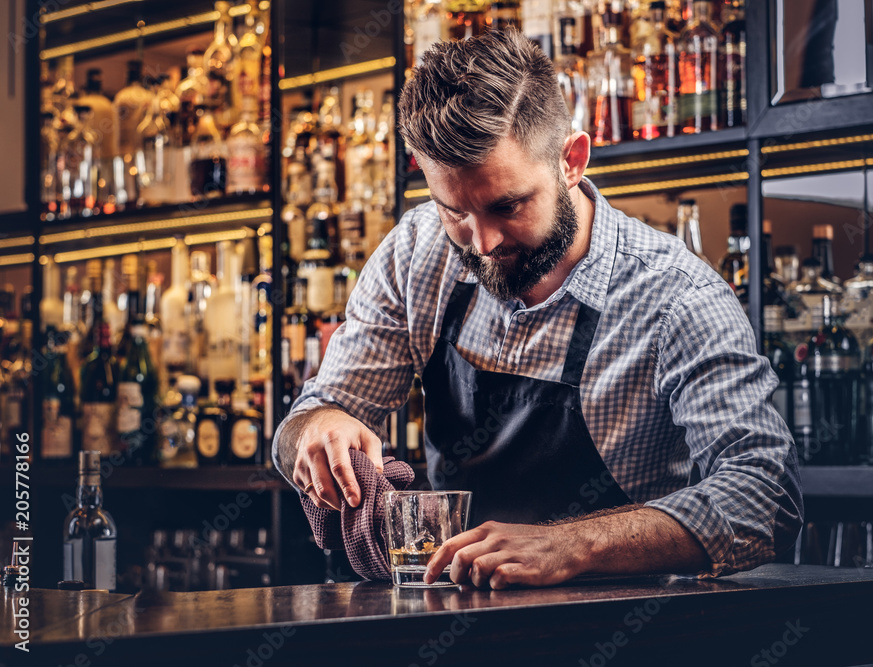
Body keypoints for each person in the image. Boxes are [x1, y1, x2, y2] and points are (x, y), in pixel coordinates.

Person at [273, 30, 803, 590]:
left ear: (571, 160)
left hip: (627, 628)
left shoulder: (677, 298)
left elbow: (767, 499)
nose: (480, 243)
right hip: (457, 614)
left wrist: (570, 543)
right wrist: (318, 425)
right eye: (453, 210)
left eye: (508, 205)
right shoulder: (416, 254)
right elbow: (303, 425)